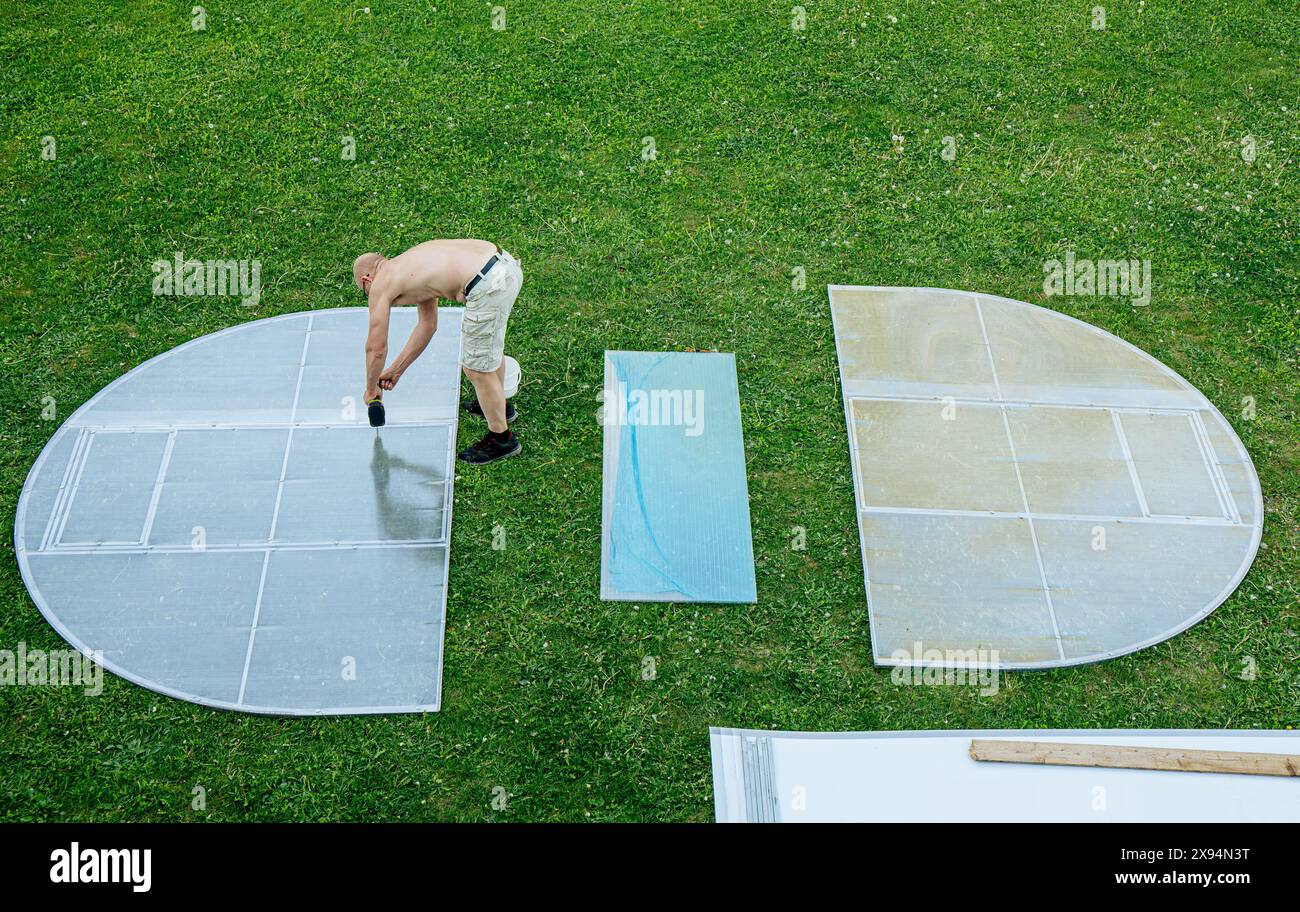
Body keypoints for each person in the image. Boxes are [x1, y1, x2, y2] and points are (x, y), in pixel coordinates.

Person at [353, 239, 522, 464]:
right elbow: (427, 326)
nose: (370, 297)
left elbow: (375, 349)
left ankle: (501, 439)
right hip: (503, 266)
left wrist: (370, 388)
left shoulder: (380, 283)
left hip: (488, 284)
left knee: (476, 368)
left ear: (367, 279)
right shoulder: (412, 266)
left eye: (365, 292)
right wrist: (396, 370)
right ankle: (495, 404)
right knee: (488, 349)